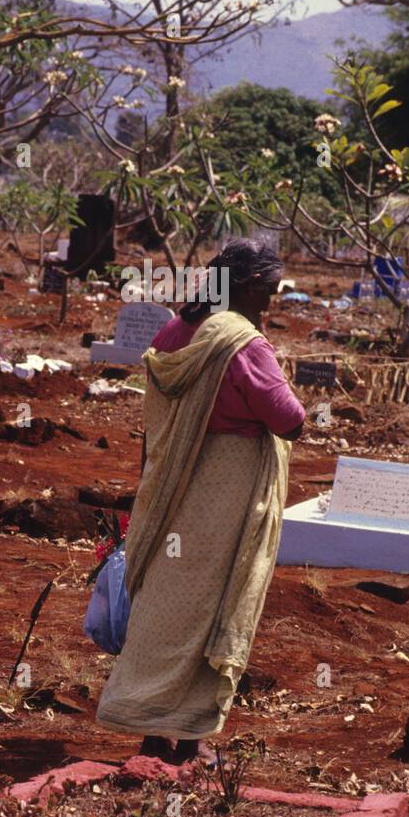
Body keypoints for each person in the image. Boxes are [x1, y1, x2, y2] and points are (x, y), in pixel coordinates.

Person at [95, 238, 305, 764]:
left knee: (163, 605)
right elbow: (290, 419)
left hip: (171, 490)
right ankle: (190, 738)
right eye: (272, 287)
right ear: (252, 285)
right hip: (223, 498)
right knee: (213, 607)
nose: (274, 298)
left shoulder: (174, 331)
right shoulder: (243, 346)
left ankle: (148, 730)